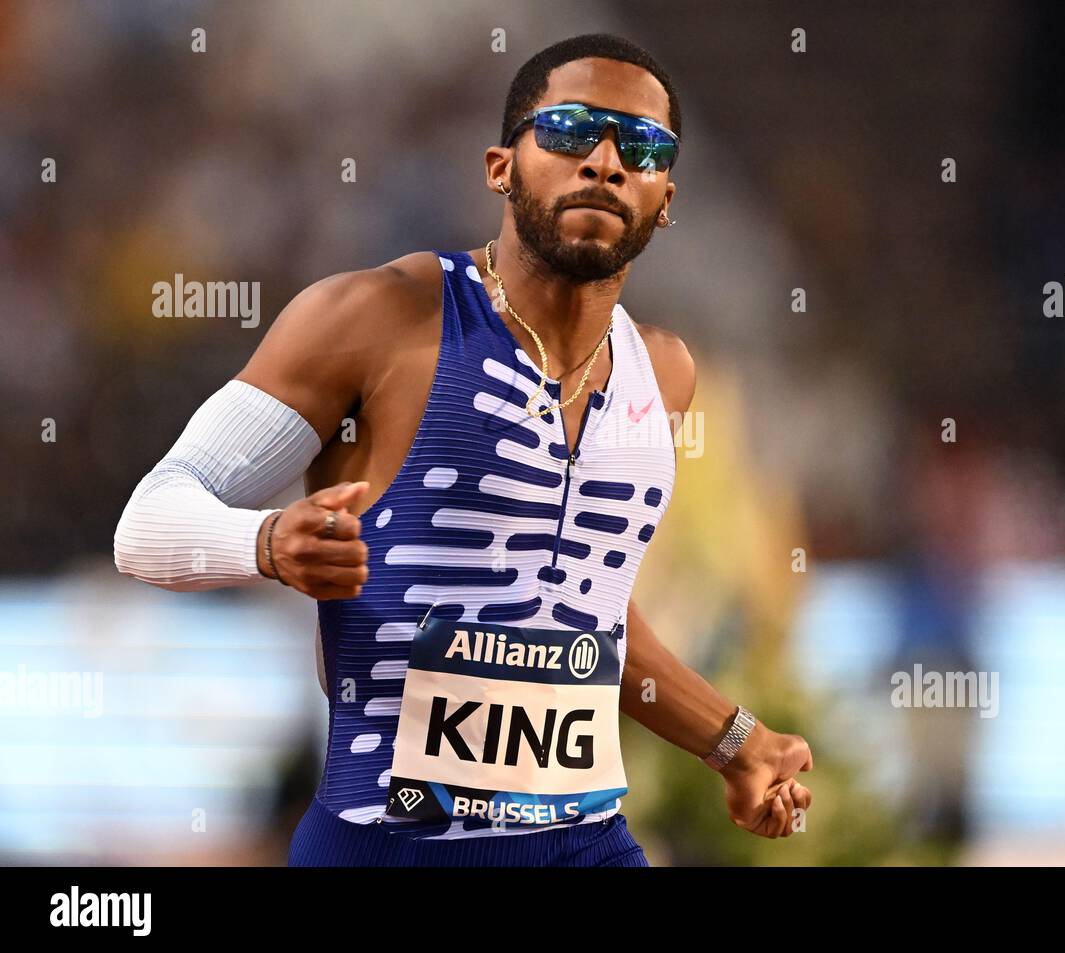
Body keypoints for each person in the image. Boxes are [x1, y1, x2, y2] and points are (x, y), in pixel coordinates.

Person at [113, 33, 811, 866]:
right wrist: (263, 544)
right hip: (392, 843)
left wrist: (737, 743)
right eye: (567, 131)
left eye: (643, 146)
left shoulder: (664, 375)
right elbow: (147, 520)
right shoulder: (375, 318)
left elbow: (582, 617)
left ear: (665, 200)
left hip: (584, 844)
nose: (604, 161)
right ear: (499, 167)